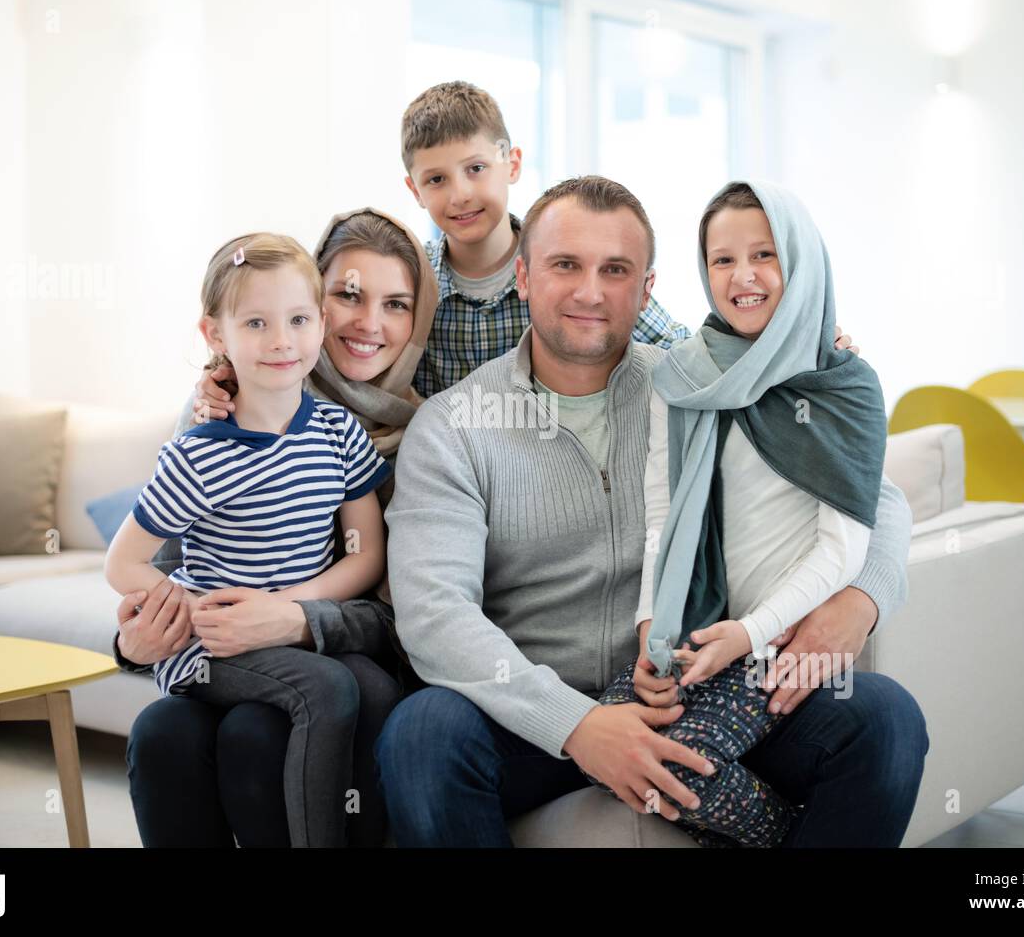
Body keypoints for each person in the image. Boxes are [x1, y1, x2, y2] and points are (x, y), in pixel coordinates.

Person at [375, 175, 927, 847]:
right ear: (522, 276)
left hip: (698, 690)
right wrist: (578, 726)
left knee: (883, 717)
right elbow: (436, 616)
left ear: (647, 289)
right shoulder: (455, 425)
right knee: (422, 730)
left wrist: (861, 600)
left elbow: (876, 497)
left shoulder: (703, 386)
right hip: (530, 715)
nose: (590, 292)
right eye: (565, 266)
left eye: (616, 271)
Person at [114, 214, 438, 846]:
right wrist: (158, 628)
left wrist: (286, 610)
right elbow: (143, 564)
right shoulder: (206, 432)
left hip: (335, 634)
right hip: (222, 644)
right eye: (348, 295)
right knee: (165, 735)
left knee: (356, 690)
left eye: (395, 304)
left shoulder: (388, 429)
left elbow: (367, 560)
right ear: (217, 336)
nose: (368, 322)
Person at [586, 179, 888, 848]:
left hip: (773, 642)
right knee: (604, 750)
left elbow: (844, 551)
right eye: (722, 259)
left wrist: (750, 634)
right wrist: (648, 629)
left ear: (802, 261)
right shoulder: (687, 374)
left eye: (765, 255)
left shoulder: (843, 383)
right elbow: (661, 514)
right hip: (697, 632)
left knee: (672, 767)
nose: (742, 276)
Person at [400, 80, 689, 398]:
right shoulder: (411, 281)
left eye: (476, 168)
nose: (460, 195)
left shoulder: (567, 264)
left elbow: (677, 350)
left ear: (512, 165)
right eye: (436, 179)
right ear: (416, 191)